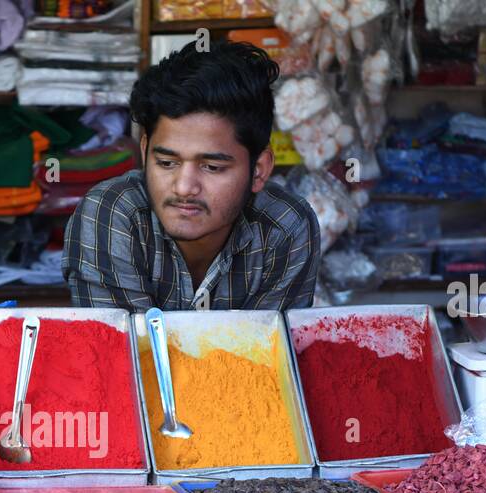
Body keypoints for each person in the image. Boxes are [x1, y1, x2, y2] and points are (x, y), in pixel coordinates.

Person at [63, 41, 320, 312]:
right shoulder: (111, 214)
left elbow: (270, 350)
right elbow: (125, 350)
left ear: (259, 169)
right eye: (166, 162)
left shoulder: (285, 227)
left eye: (212, 167)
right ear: (145, 150)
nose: (184, 187)